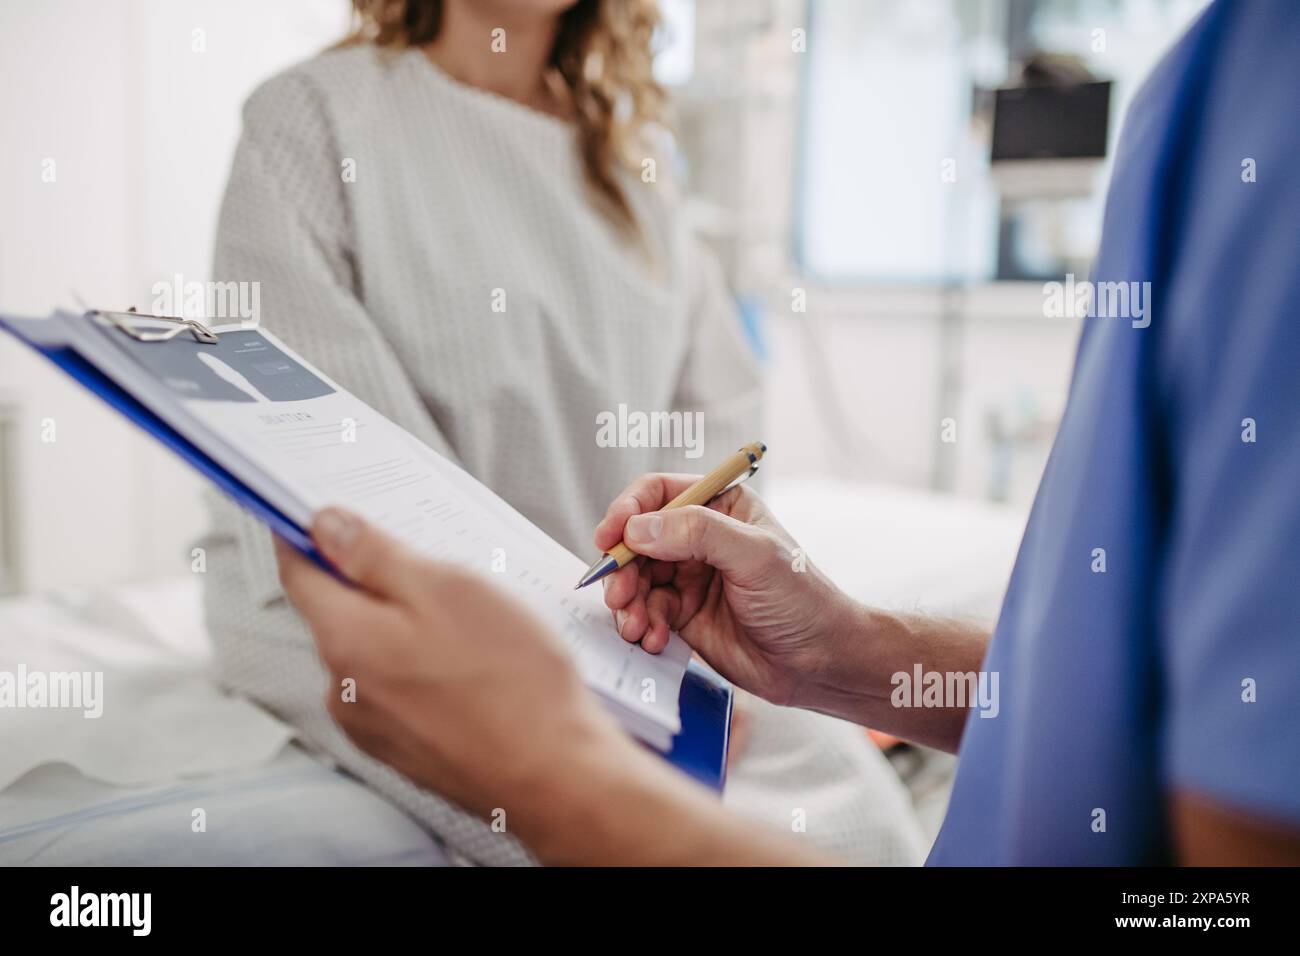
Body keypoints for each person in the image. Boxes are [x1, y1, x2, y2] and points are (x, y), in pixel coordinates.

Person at [273, 0, 1300, 865]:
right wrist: (848, 654)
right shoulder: (315, 125)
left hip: (643, 668)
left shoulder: (637, 179)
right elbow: (1135, 688)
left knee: (842, 798)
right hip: (570, 651)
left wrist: (550, 770)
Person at [204, 0, 924, 865]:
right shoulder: (314, 120)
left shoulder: (637, 162)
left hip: (623, 624)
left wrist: (662, 613)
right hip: (369, 608)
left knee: (856, 815)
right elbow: (324, 471)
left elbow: (718, 423)